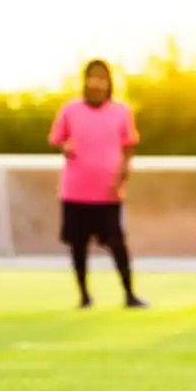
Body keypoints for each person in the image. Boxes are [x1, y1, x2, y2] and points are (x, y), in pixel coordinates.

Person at [49, 59, 147, 310]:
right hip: (76, 191)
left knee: (116, 243)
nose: (97, 82)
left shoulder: (121, 111)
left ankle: (130, 294)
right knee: (78, 245)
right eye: (92, 77)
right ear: (85, 81)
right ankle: (83, 295)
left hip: (108, 193)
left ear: (109, 82)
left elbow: (129, 146)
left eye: (102, 78)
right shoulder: (70, 110)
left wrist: (123, 173)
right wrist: (65, 147)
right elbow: (57, 139)